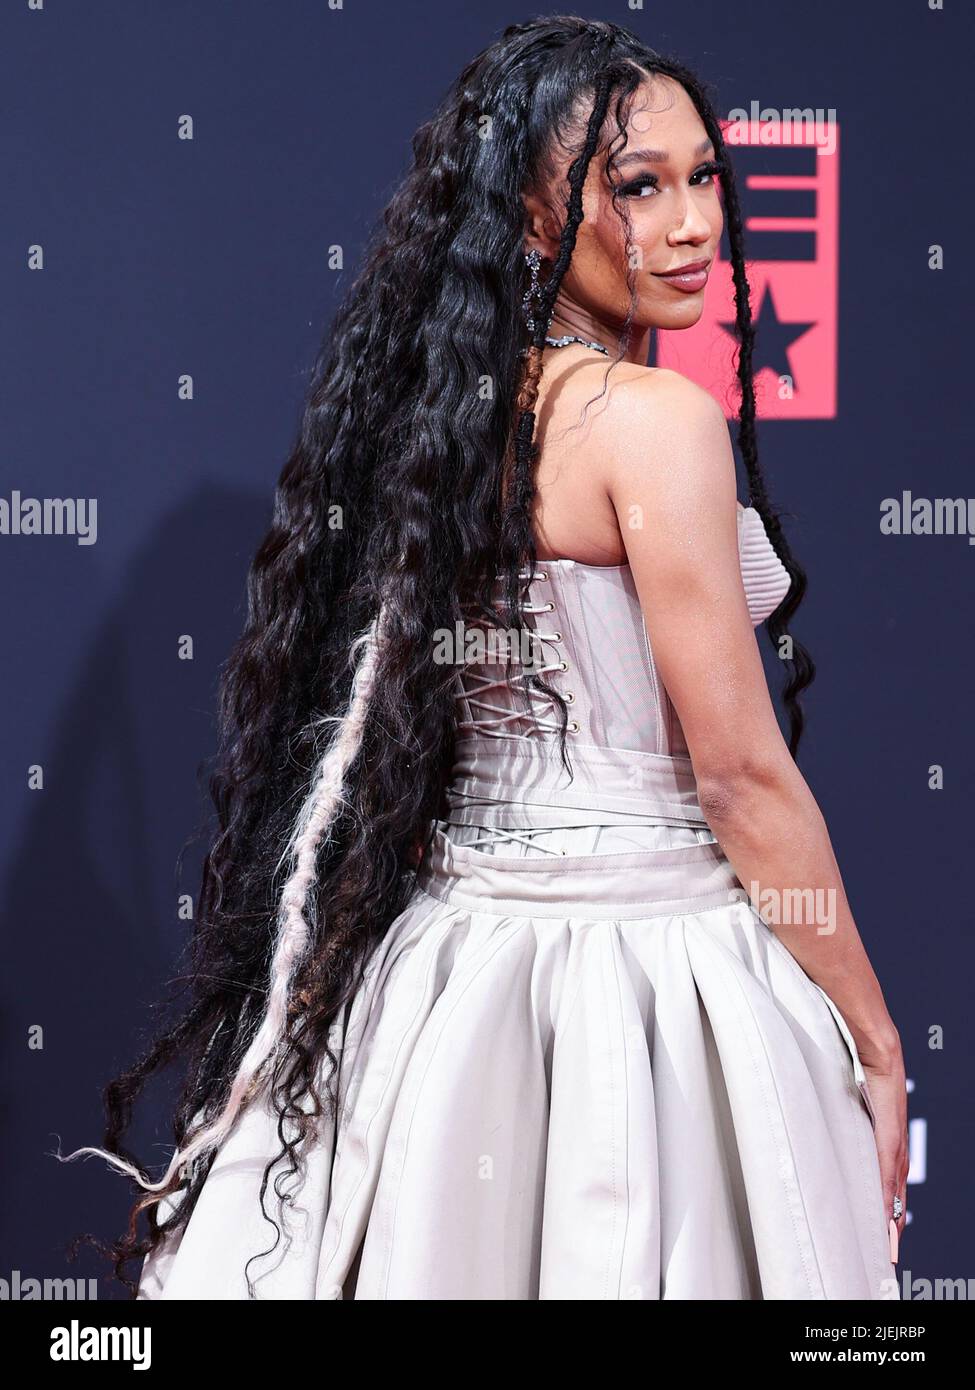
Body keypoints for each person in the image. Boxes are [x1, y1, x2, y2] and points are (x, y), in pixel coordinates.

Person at [64, 15, 907, 1300]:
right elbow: (739, 777)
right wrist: (878, 1038)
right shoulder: (659, 423)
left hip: (449, 987)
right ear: (529, 216)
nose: (691, 225)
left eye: (703, 178)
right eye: (637, 186)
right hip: (650, 991)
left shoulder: (445, 416)